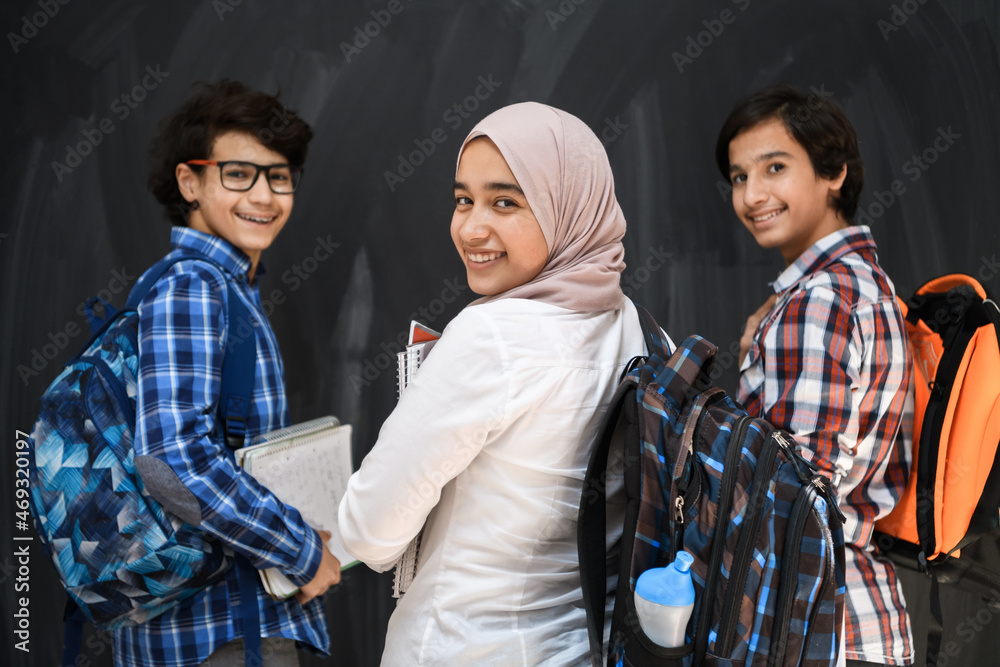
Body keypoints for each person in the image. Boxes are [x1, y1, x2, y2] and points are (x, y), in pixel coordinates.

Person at [337, 101, 652, 665]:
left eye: (505, 202)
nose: (471, 227)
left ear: (568, 207)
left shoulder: (492, 337)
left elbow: (369, 533)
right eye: (463, 200)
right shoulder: (638, 328)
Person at [112, 80, 341, 667]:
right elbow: (172, 457)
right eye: (239, 173)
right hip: (218, 635)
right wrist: (300, 551)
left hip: (217, 627)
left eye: (280, 175)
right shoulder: (193, 285)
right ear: (190, 182)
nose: (264, 195)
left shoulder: (217, 287)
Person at [716, 85, 913, 666]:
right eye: (737, 177)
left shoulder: (822, 300)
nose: (753, 195)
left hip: (815, 630)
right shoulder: (861, 286)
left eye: (774, 167)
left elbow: (798, 499)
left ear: (833, 173)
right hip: (858, 621)